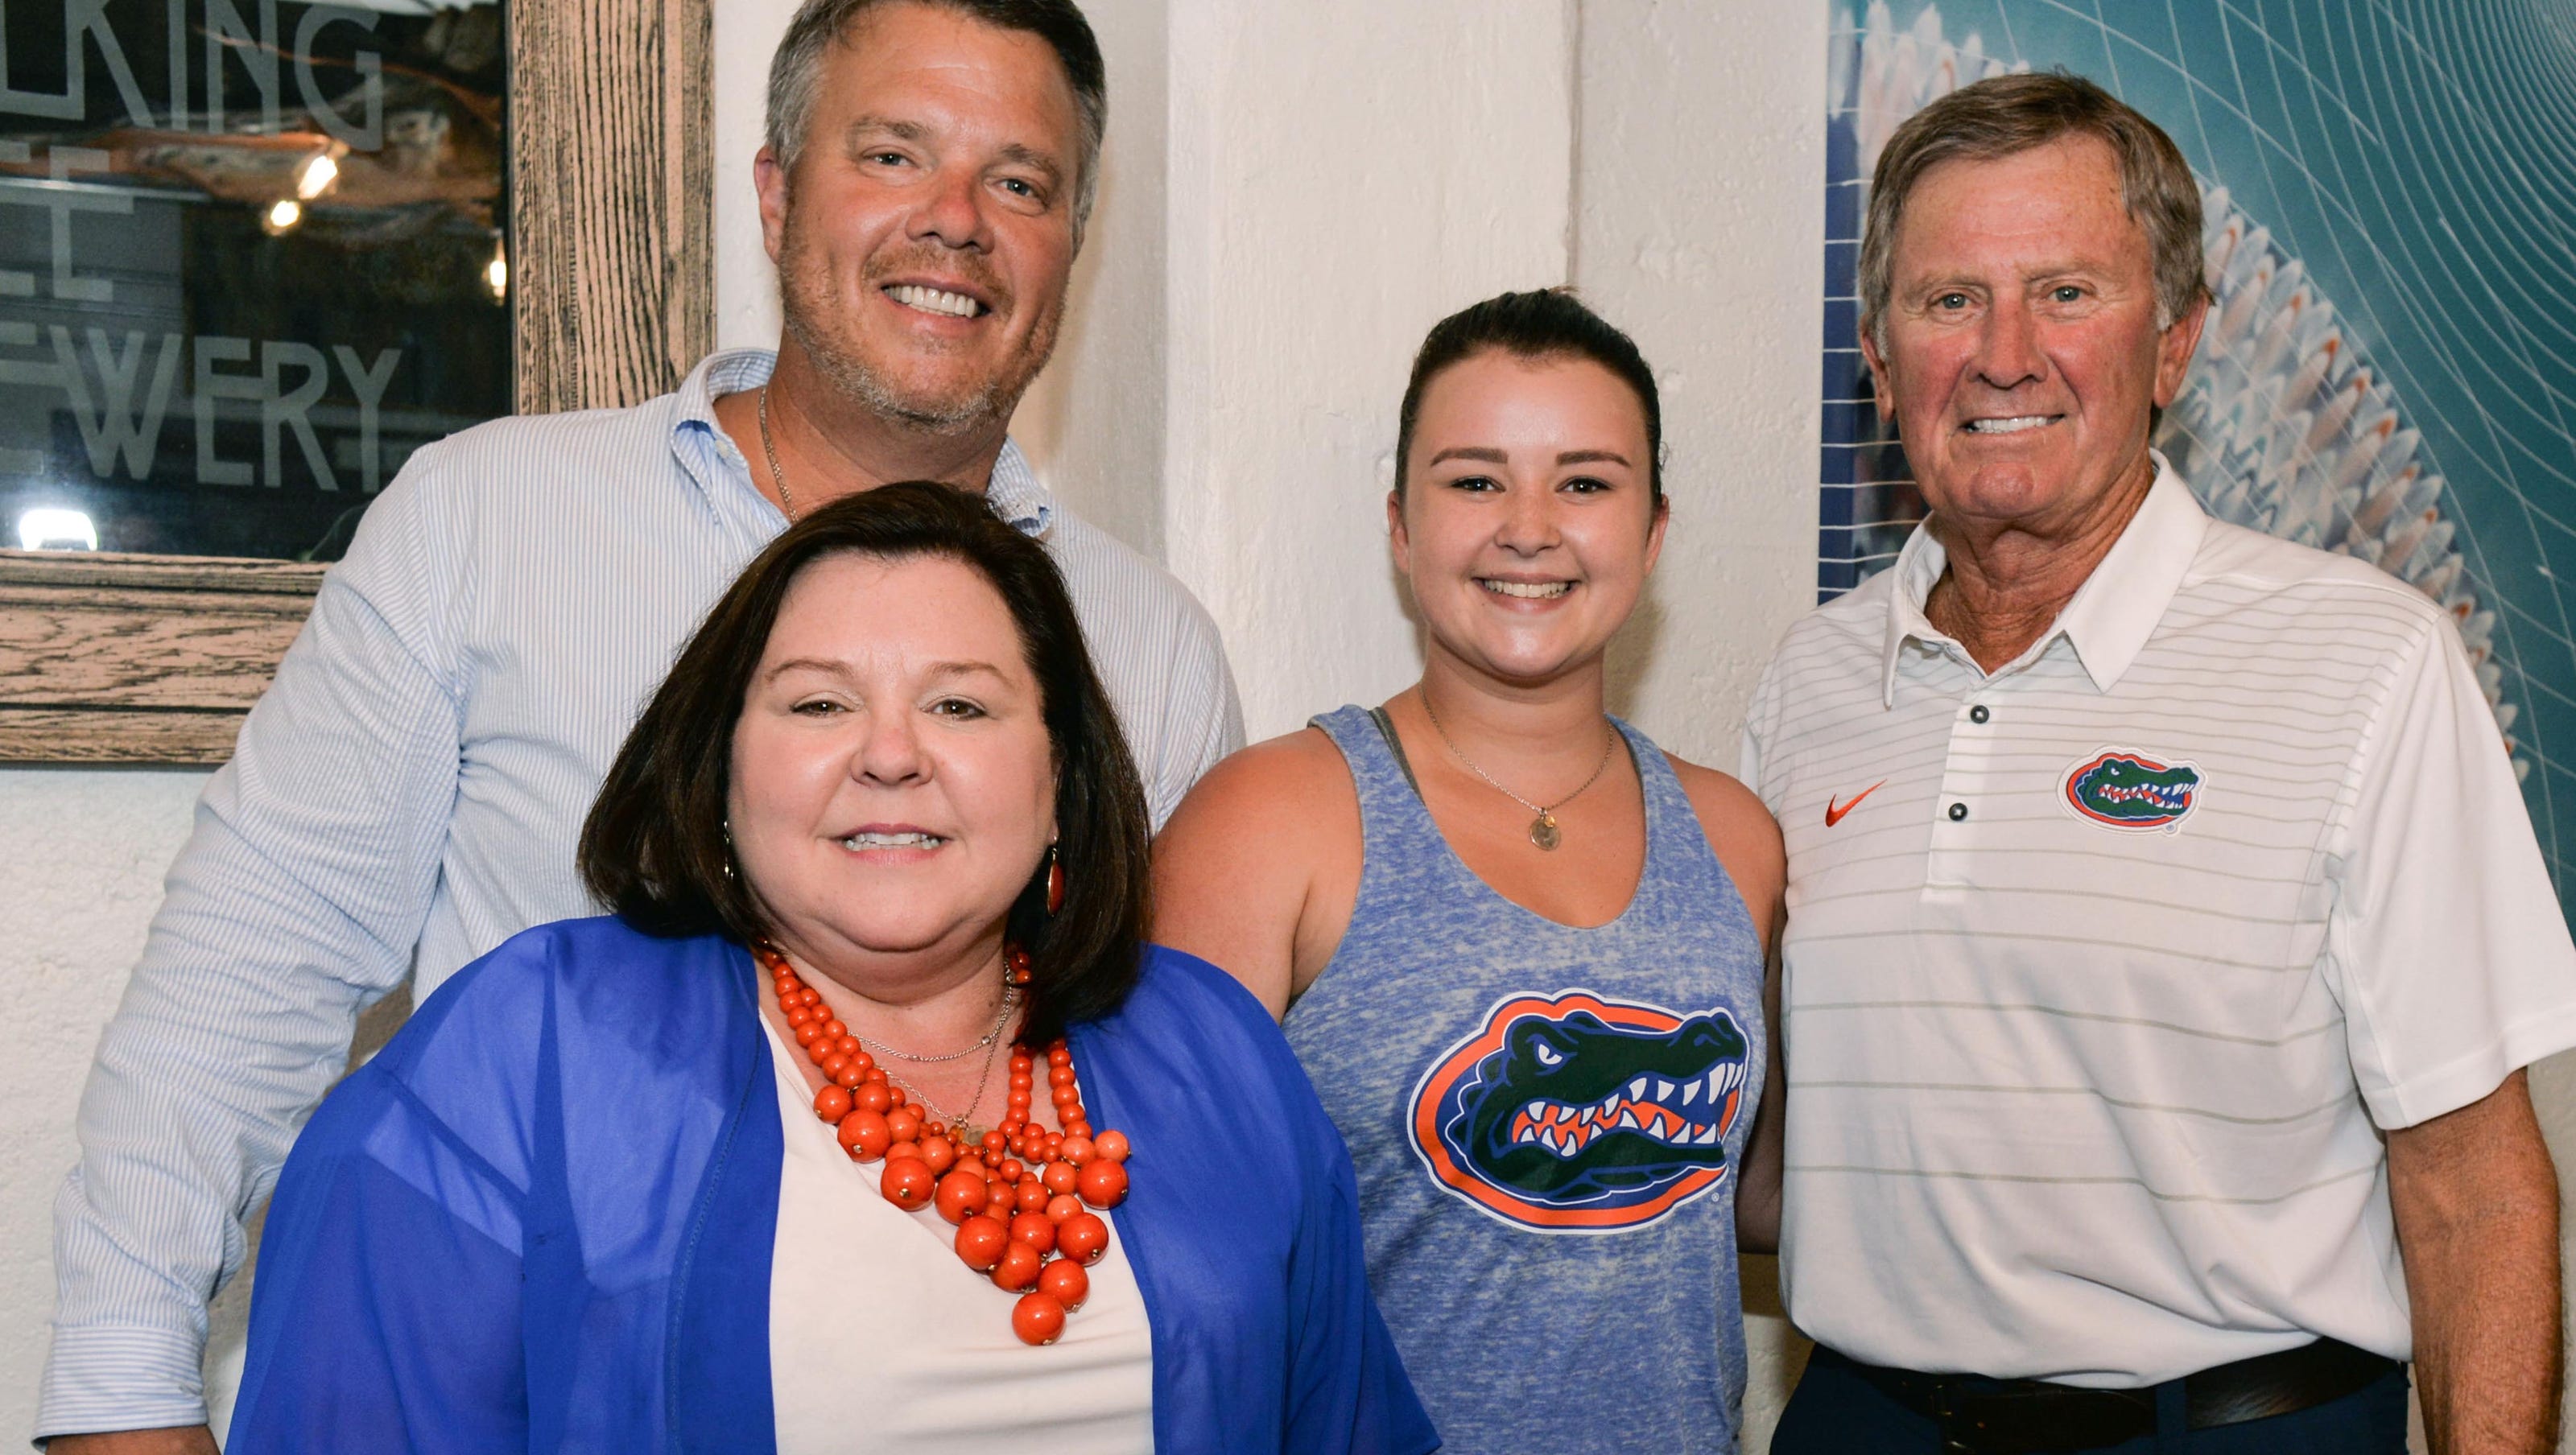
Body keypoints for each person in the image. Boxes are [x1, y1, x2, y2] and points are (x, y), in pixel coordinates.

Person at [39, 3, 1241, 1449]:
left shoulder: (1149, 650)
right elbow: (245, 975)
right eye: (893, 153)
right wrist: (119, 1400)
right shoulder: (490, 521)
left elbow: (1170, 1109)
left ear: (1070, 248)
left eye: (1021, 182)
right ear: (779, 193)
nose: (957, 223)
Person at [217, 481, 1434, 1453]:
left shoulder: (1216, 1050)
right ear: (724, 772)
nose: (890, 756)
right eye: (815, 706)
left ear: (1058, 779)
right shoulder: (523, 1055)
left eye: (961, 707)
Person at [1748, 72, 2574, 1453]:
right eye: (1951, 299)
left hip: (2234, 1428)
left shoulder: (2367, 660)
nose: (2005, 352)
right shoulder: (1808, 686)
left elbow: (2475, 1187)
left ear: (2178, 344)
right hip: (1865, 1420)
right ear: (1882, 361)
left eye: (2068, 291)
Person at [1154, 289, 1786, 1453]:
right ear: (1401, 525)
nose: (1529, 526)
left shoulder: (1737, 838)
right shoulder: (1273, 820)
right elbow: (1170, 1252)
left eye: (1586, 482)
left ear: (1652, 532)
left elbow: (1762, 1202)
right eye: (1476, 479)